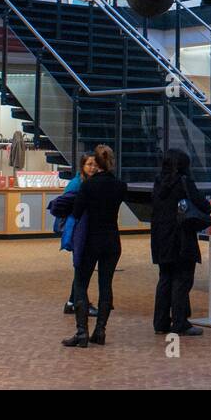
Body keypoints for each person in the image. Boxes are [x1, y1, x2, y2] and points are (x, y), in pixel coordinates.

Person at [63, 145, 127, 348]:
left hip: (90, 239)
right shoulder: (120, 186)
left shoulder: (88, 186)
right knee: (105, 284)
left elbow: (76, 212)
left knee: (81, 282)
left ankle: (82, 331)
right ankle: (100, 330)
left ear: (96, 163)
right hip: (112, 240)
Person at [150, 149, 211, 336]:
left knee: (165, 278)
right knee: (182, 280)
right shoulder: (184, 182)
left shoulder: (158, 183)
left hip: (160, 237)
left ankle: (160, 322)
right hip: (181, 237)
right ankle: (180, 322)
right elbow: (204, 206)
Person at [55, 153, 101, 317]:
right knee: (81, 267)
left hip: (86, 229)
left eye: (95, 165)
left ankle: (72, 301)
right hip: (78, 230)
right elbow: (64, 205)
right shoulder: (76, 184)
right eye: (89, 164)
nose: (93, 168)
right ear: (82, 166)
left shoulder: (91, 182)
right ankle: (80, 303)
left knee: (82, 267)